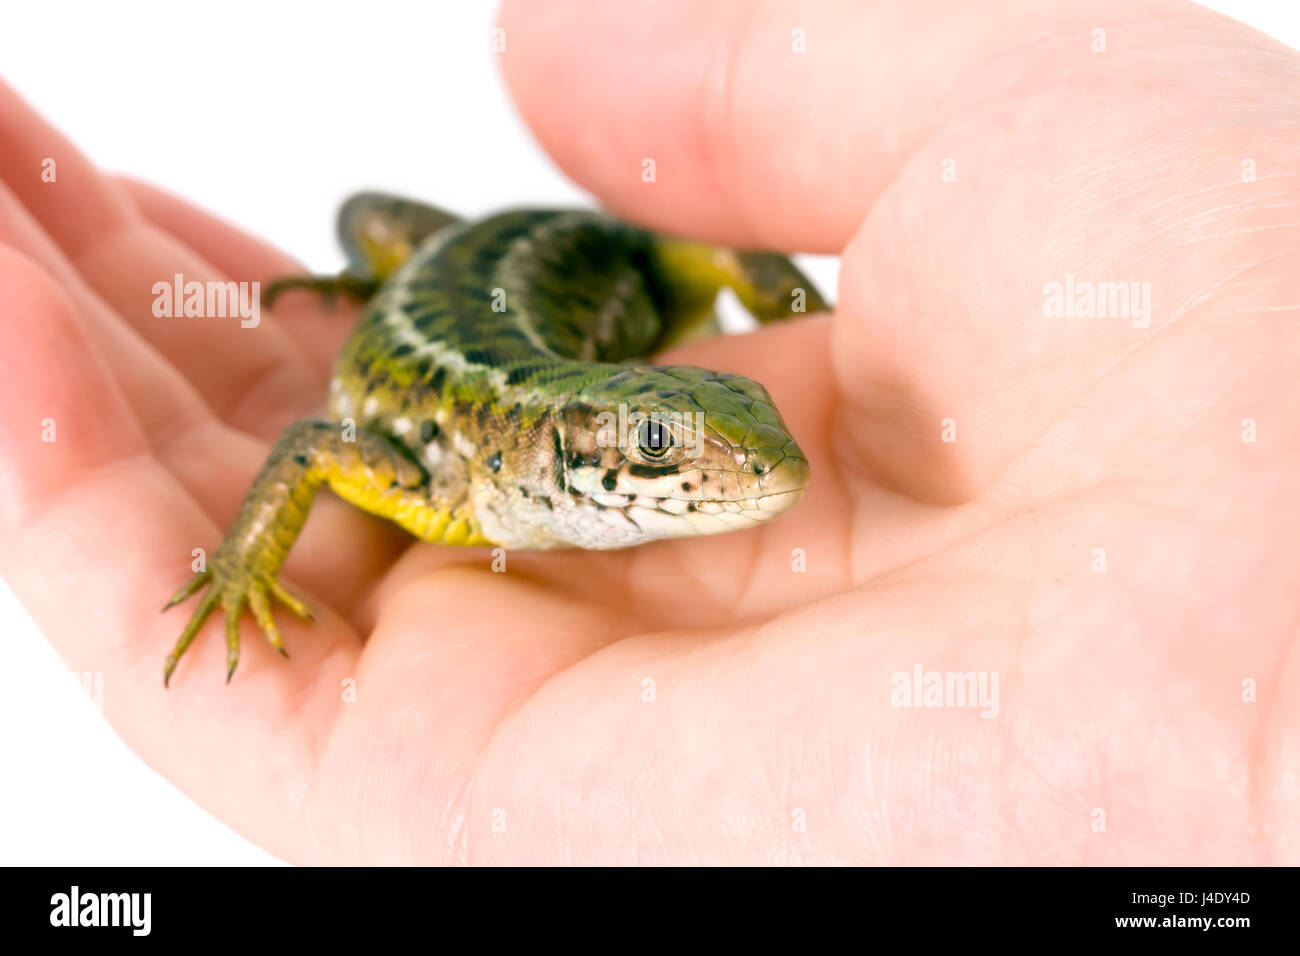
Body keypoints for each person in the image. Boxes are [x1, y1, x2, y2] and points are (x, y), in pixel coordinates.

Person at [0, 0, 1294, 864]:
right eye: (668, 455)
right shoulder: (442, 479)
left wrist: (793, 306)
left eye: (708, 439)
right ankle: (382, 273)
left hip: (598, 275)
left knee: (710, 254)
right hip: (482, 267)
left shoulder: (634, 326)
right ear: (571, 454)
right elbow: (304, 451)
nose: (746, 475)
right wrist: (240, 568)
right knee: (379, 220)